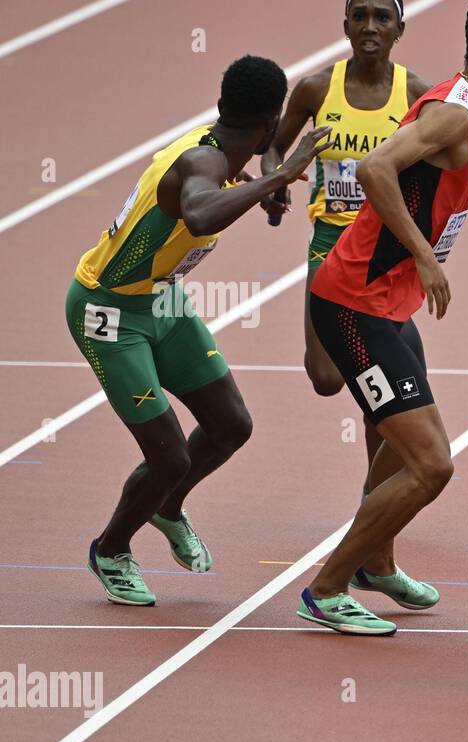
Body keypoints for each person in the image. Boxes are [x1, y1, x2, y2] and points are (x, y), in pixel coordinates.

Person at [297, 0, 468, 635]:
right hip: (355, 303)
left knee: (400, 444)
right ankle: (327, 588)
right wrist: (425, 257)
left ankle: (375, 565)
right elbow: (375, 166)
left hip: (388, 303)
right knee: (432, 465)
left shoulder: (466, 104)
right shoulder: (454, 113)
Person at [69, 55, 328, 605]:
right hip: (108, 311)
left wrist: (264, 185)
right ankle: (111, 548)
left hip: (159, 301)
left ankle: (167, 507)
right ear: (269, 121)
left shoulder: (222, 147)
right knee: (170, 458)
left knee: (231, 425)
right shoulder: (200, 162)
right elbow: (200, 214)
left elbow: (230, 177)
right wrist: (278, 175)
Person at [262, 0, 468, 612]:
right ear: (345, 26)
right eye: (358, 17)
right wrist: (275, 183)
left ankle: (374, 557)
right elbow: (274, 150)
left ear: (398, 30)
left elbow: (431, 149)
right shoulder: (315, 88)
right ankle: (360, 559)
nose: (369, 28)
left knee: (386, 413)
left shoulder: (414, 91)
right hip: (335, 250)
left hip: (383, 260)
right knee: (328, 377)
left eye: (381, 19)